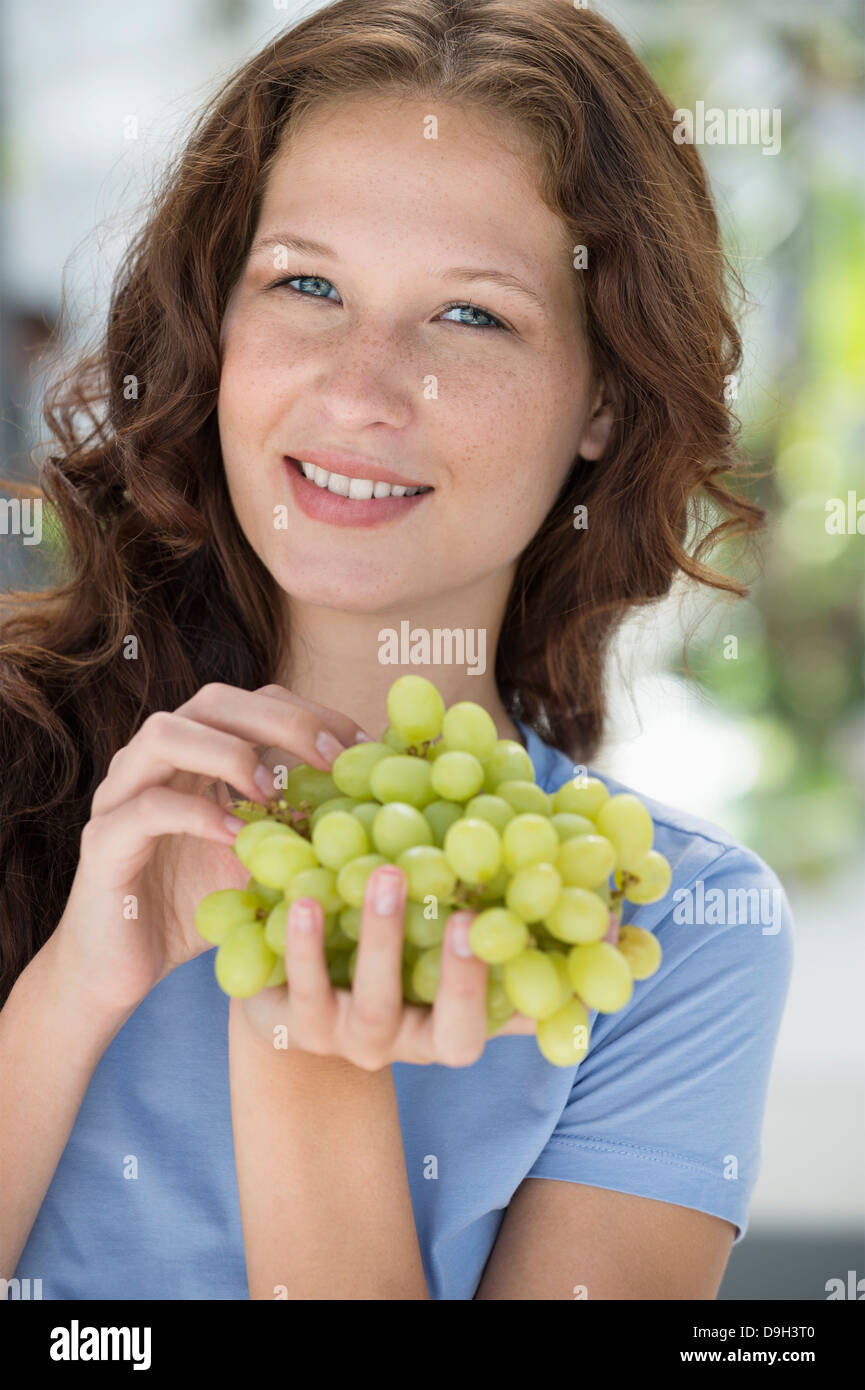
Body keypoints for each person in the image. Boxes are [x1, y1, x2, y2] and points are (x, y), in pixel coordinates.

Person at [0, 0, 793, 1300]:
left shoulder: (675, 936)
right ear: (218, 322)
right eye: (306, 285)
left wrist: (302, 1041)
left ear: (600, 398)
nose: (362, 389)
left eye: (469, 316)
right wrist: (69, 992)